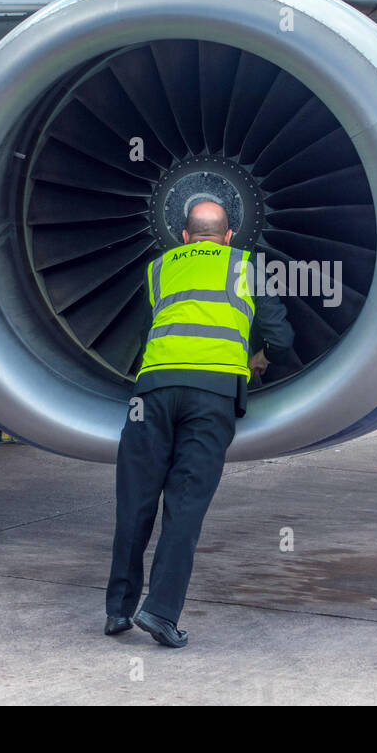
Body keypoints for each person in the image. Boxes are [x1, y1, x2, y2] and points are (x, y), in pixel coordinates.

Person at [105, 201, 294, 647]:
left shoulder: (160, 268)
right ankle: (160, 612)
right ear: (230, 236)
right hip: (212, 397)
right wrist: (258, 361)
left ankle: (118, 611)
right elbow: (282, 338)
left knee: (135, 504)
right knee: (184, 506)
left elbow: (144, 329)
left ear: (185, 237)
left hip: (152, 393)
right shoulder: (246, 265)